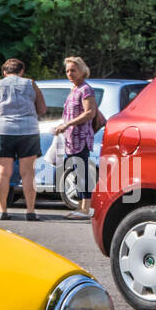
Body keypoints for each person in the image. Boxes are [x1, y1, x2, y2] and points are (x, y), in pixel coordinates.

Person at [0, 58, 46, 221]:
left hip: (3, 130)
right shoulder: (30, 84)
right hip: (28, 130)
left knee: (3, 172)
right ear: (22, 71)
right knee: (28, 173)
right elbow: (42, 109)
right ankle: (30, 211)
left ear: (4, 72)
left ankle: (2, 210)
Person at [51, 56, 98, 219]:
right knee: (76, 172)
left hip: (81, 137)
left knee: (82, 171)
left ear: (82, 71)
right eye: (67, 71)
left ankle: (86, 208)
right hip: (70, 139)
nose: (69, 73)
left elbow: (90, 112)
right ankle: (80, 207)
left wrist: (68, 124)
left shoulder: (85, 89)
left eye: (73, 70)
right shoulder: (74, 89)